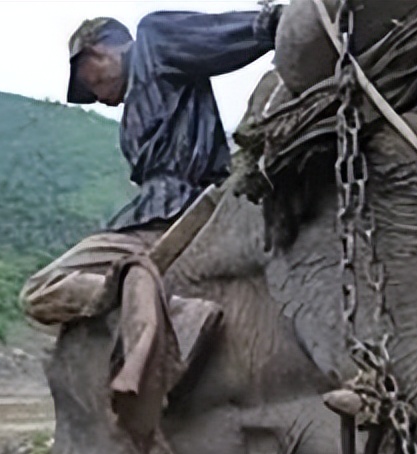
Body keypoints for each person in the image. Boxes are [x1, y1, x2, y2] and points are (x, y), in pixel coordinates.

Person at [20, 7, 282, 326]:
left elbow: (221, 34)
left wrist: (278, 21)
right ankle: (140, 296)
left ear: (96, 52)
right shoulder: (132, 111)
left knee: (41, 288)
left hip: (172, 213)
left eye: (90, 83)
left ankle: (167, 309)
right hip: (160, 211)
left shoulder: (153, 40)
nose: (96, 95)